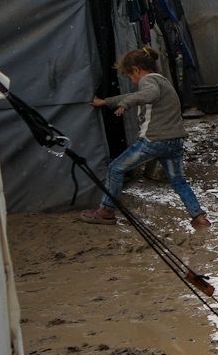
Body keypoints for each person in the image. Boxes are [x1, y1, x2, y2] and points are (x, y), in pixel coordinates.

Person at [78, 48, 210, 230]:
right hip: (175, 141)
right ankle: (199, 217)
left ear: (136, 70)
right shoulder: (162, 81)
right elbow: (136, 96)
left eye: (130, 76)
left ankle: (106, 211)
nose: (132, 81)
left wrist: (125, 104)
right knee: (179, 181)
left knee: (115, 168)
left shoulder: (148, 82)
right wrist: (107, 102)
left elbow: (147, 94)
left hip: (154, 140)